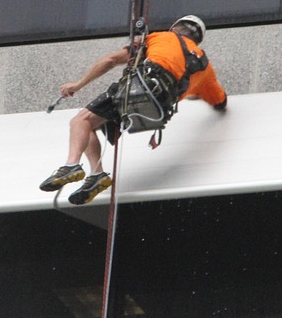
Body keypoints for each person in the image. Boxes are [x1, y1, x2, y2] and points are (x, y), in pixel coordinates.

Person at [41, 15, 227, 204]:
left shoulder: (159, 37)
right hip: (159, 106)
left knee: (80, 121)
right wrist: (197, 94)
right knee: (89, 126)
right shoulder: (205, 65)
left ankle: (72, 165)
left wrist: (78, 85)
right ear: (198, 39)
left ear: (175, 28)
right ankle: (97, 175)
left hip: (136, 91)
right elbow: (220, 101)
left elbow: (110, 60)